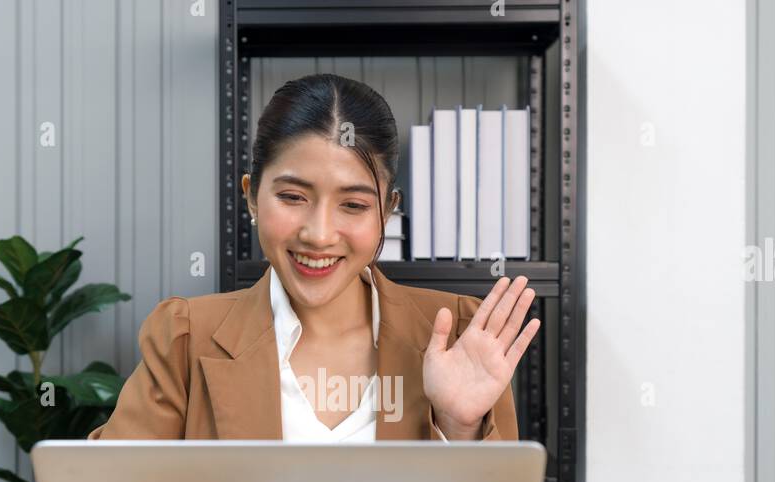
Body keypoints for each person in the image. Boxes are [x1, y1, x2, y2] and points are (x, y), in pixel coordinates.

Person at [89, 73, 540, 443]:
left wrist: (459, 428)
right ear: (251, 197)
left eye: (354, 205)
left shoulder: (460, 334)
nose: (319, 235)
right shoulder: (186, 338)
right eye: (292, 196)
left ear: (388, 209)